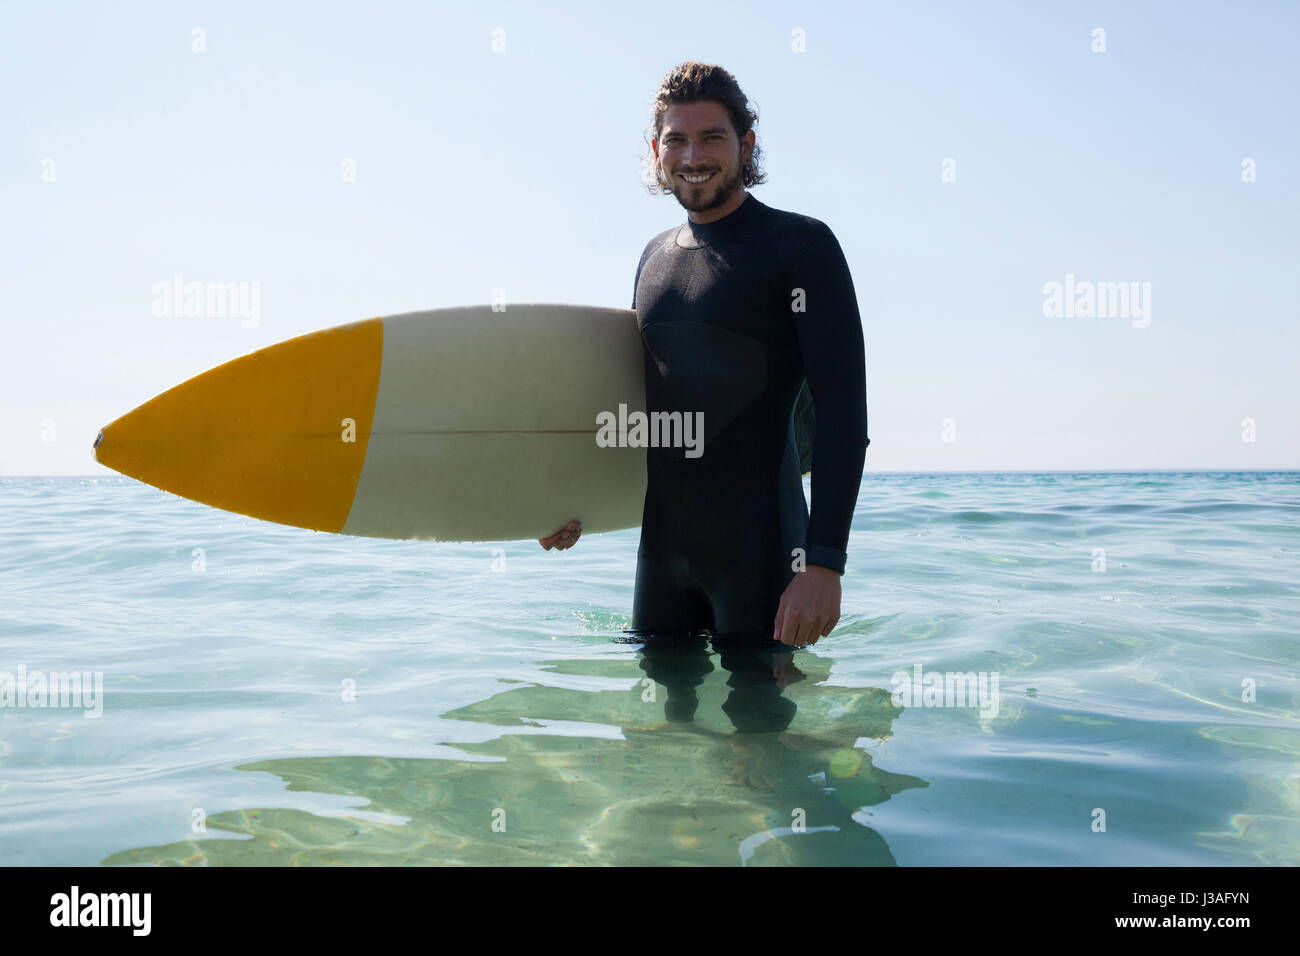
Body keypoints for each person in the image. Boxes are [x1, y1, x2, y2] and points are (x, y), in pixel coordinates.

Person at [541, 62, 868, 651]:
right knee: (655, 736)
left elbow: (845, 418)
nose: (693, 156)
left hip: (766, 554)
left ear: (746, 144)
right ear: (656, 149)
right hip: (663, 558)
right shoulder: (653, 259)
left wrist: (824, 566)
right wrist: (575, 504)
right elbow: (642, 408)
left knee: (764, 737)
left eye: (712, 137)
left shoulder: (801, 248)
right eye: (677, 139)